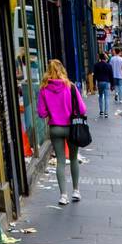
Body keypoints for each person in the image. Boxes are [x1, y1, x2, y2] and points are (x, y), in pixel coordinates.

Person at [36, 59, 86, 206]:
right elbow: (82, 109)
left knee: (60, 161)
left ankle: (63, 195)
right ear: (62, 70)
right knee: (74, 158)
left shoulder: (44, 89)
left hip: (55, 128)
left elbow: (41, 113)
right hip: (72, 127)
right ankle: (76, 191)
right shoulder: (70, 87)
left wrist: (52, 111)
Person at [92, 51, 113, 118]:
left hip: (99, 82)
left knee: (100, 96)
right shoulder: (109, 65)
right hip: (106, 82)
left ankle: (101, 111)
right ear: (105, 58)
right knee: (106, 97)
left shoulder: (96, 65)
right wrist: (112, 85)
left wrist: (94, 84)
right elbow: (111, 76)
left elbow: (94, 75)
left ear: (100, 58)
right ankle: (106, 112)